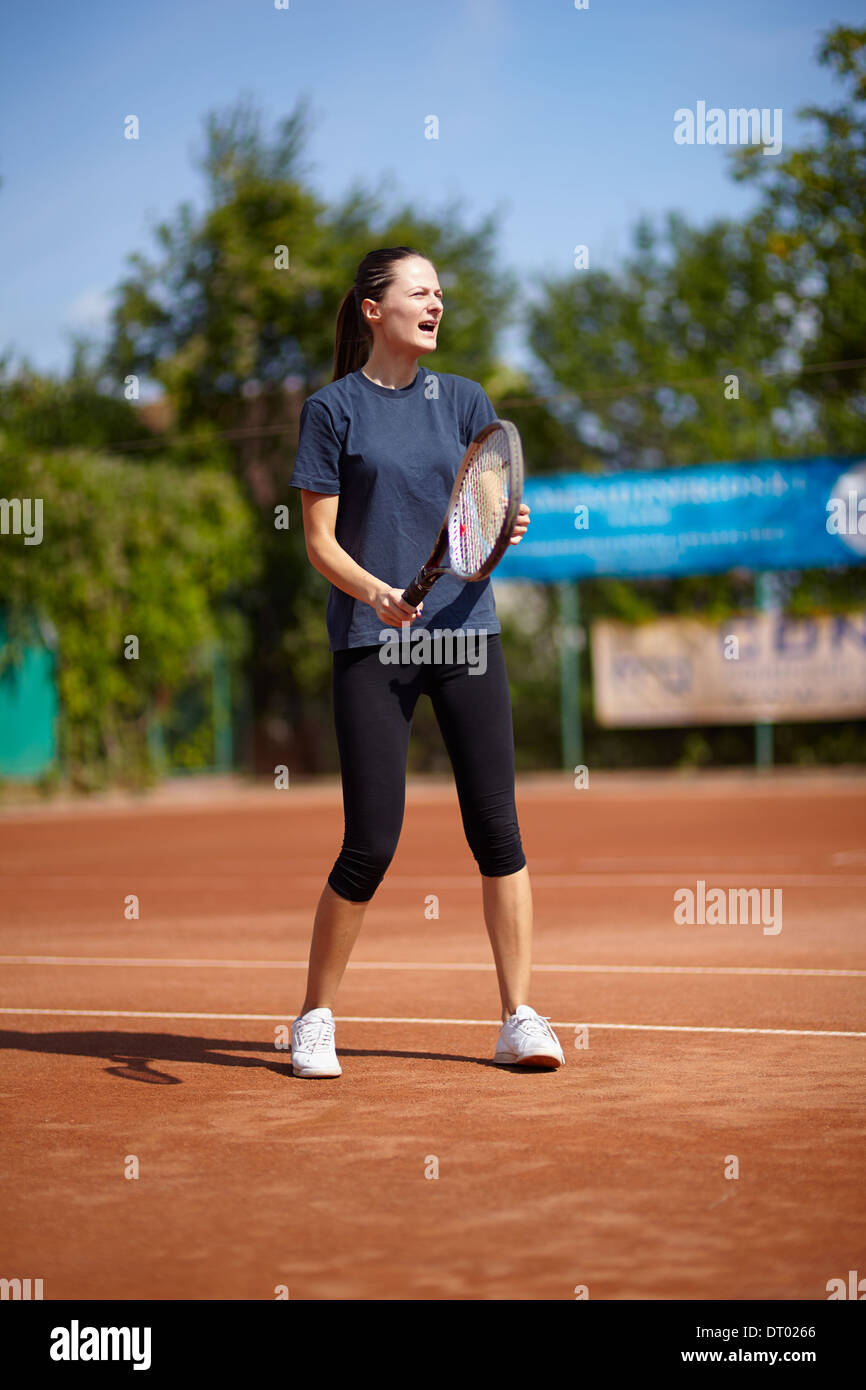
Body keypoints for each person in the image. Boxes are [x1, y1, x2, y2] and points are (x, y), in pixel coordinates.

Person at [289, 246, 565, 1078]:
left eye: (441, 292)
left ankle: (519, 1016)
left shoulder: (466, 401)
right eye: (419, 291)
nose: (436, 303)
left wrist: (501, 532)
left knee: (498, 831)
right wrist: (376, 593)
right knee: (371, 841)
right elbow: (318, 544)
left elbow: (478, 522)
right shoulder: (331, 411)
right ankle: (314, 1017)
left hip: (466, 634)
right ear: (374, 309)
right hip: (374, 642)